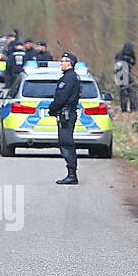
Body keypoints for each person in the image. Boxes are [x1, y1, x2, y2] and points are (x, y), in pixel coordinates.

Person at [49, 52, 81, 184]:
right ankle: (71, 173)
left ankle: (72, 174)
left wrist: (52, 108)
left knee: (66, 143)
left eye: (63, 61)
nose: (61, 63)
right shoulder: (71, 77)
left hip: (66, 114)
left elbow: (61, 98)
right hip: (66, 113)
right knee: (65, 142)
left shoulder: (68, 78)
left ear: (70, 63)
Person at [114, 42, 137, 112]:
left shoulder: (129, 54)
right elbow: (118, 65)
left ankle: (131, 107)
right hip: (122, 73)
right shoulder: (121, 55)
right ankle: (127, 108)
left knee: (129, 91)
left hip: (125, 73)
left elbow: (133, 62)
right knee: (126, 91)